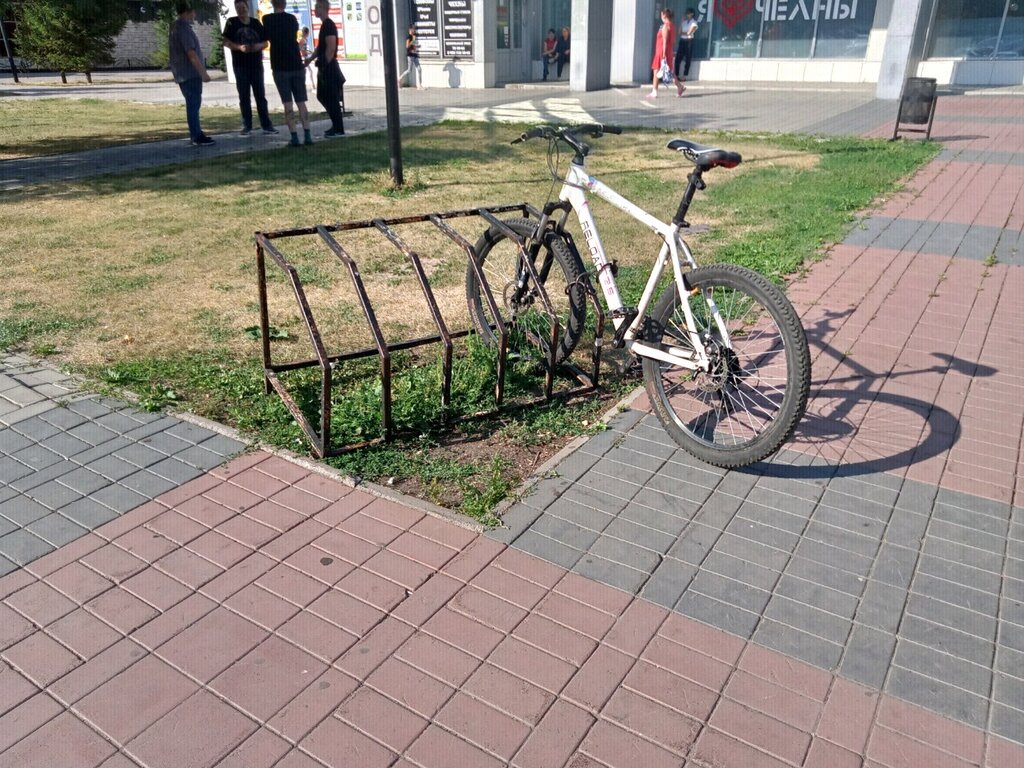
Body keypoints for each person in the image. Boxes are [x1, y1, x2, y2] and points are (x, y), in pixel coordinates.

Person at [262, 0, 312, 146]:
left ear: (272, 3)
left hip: (280, 66)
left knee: (287, 103)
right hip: (296, 64)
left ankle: (294, 137)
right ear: (284, 4)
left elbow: (266, 38)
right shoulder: (291, 19)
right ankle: (307, 135)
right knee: (301, 102)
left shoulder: (267, 19)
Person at [222, 0, 277, 135]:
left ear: (247, 8)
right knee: (244, 96)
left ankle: (266, 125)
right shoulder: (231, 22)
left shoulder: (256, 23)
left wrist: (258, 46)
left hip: (256, 64)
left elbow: (265, 42)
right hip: (240, 65)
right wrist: (238, 47)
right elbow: (226, 41)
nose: (241, 10)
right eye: (238, 8)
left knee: (260, 95)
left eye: (243, 7)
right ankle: (247, 125)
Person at [168, 1, 213, 146]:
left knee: (193, 104)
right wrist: (203, 73)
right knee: (193, 104)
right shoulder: (183, 28)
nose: (195, 14)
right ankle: (196, 135)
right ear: (188, 11)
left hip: (182, 73)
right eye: (193, 11)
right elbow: (191, 53)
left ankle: (196, 133)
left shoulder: (176, 27)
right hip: (190, 73)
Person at [306, 0, 345, 137]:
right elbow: (320, 47)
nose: (315, 9)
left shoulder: (328, 25)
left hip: (329, 68)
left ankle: (338, 128)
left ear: (323, 8)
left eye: (317, 7)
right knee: (323, 96)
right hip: (325, 67)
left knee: (330, 97)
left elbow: (331, 48)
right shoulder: (324, 25)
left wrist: (324, 65)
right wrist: (310, 59)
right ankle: (336, 125)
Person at [646, 8, 684, 99]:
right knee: (669, 72)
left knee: (656, 71)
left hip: (662, 52)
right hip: (667, 51)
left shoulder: (665, 26)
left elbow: (665, 41)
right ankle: (680, 87)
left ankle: (654, 92)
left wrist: (663, 55)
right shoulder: (672, 25)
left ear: (664, 15)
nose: (661, 16)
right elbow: (672, 41)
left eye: (661, 14)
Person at [675, 8, 698, 81]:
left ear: (692, 14)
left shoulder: (694, 22)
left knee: (688, 58)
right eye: (686, 13)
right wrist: (681, 22)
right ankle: (676, 75)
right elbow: (679, 32)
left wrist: (684, 33)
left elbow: (689, 33)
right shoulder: (684, 22)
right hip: (682, 40)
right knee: (678, 58)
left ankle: (684, 76)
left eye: (688, 13)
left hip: (689, 41)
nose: (687, 14)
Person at [398, 24, 423, 89]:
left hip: (415, 55)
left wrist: (417, 46)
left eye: (415, 29)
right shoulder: (408, 37)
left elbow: (413, 46)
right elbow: (407, 46)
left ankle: (420, 85)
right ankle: (399, 78)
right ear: (410, 30)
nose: (414, 30)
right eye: (413, 29)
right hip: (410, 55)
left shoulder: (413, 36)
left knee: (419, 69)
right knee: (409, 70)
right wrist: (413, 40)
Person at [299, 26, 315, 90]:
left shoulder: (304, 39)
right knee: (309, 71)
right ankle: (312, 86)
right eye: (308, 33)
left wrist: (310, 52)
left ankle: (312, 85)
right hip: (303, 58)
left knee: (308, 72)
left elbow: (304, 49)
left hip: (304, 57)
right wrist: (307, 54)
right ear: (306, 33)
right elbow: (302, 50)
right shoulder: (302, 40)